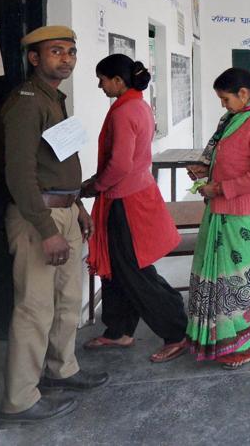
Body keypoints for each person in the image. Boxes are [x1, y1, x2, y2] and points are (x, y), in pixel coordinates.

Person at [0, 26, 108, 426]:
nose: (66, 59)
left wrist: (76, 205)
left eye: (71, 52)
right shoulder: (27, 102)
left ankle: (62, 369)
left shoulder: (54, 99)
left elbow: (55, 163)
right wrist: (47, 230)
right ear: (34, 58)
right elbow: (21, 174)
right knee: (34, 308)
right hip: (36, 218)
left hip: (63, 210)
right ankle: (20, 399)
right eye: (56, 52)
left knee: (66, 300)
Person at [81, 54, 187, 363]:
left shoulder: (124, 111)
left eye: (102, 79)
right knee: (117, 269)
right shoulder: (138, 105)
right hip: (129, 195)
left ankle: (176, 331)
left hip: (125, 201)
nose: (100, 85)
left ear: (117, 80)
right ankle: (119, 330)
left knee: (134, 271)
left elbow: (120, 164)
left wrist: (94, 185)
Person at [184, 68, 250, 367]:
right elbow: (225, 154)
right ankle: (221, 339)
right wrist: (206, 169)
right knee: (221, 280)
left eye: (225, 99)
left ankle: (247, 344)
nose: (223, 105)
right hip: (223, 209)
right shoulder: (233, 118)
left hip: (246, 215)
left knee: (240, 284)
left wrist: (220, 188)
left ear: (243, 94)